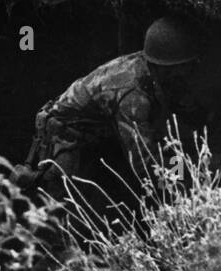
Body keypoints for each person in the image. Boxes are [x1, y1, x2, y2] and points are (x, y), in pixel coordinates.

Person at [13, 16, 205, 202]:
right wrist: (175, 195)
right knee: (67, 207)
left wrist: (179, 170)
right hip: (67, 136)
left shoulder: (151, 72)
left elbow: (170, 135)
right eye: (186, 66)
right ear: (169, 66)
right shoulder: (132, 95)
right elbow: (142, 160)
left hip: (98, 134)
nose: (189, 71)